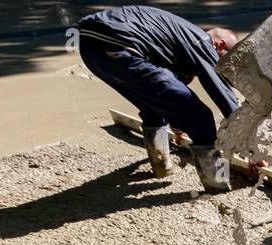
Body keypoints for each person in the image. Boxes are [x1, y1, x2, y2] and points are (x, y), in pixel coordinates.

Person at [77, 5, 240, 191]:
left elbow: (165, 95)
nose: (225, 67)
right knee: (200, 117)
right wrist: (250, 146)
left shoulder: (173, 39)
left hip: (89, 45)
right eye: (227, 60)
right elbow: (222, 93)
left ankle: (160, 166)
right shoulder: (201, 40)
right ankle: (217, 184)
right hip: (119, 43)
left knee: (152, 104)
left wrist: (179, 127)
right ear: (219, 45)